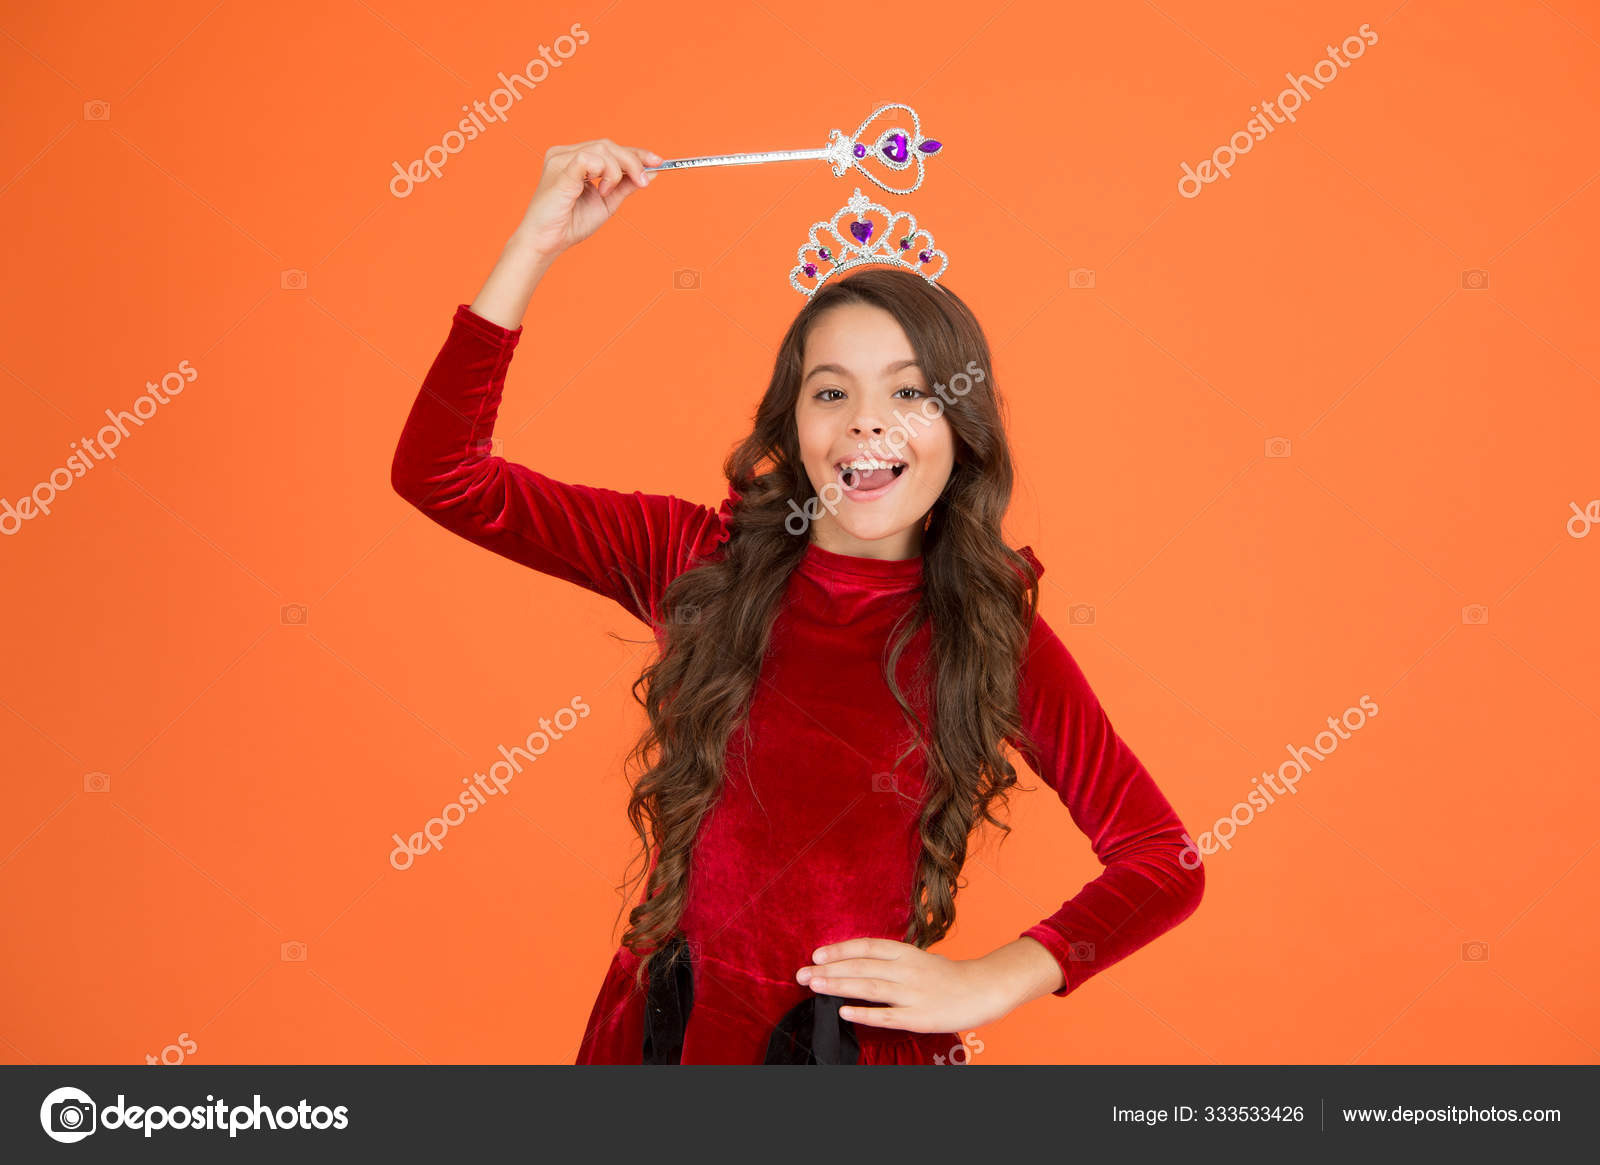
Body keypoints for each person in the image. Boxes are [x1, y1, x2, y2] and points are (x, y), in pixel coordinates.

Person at [390, 138, 1205, 1064]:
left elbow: (1162, 856)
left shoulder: (988, 631)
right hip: (662, 1034)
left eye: (910, 392)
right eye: (832, 392)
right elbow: (442, 475)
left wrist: (999, 975)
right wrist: (534, 243)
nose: (867, 420)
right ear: (795, 424)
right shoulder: (691, 557)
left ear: (961, 430)